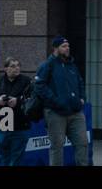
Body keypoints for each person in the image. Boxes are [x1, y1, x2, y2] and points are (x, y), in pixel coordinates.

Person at [34, 35, 90, 166]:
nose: (67, 48)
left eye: (68, 46)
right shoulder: (47, 65)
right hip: (55, 113)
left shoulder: (71, 65)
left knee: (82, 143)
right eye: (64, 46)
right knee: (57, 147)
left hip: (75, 112)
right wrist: (56, 102)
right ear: (55, 49)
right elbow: (39, 86)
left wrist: (82, 98)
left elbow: (80, 83)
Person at [0, 57, 33, 166]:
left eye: (18, 66)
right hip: (3, 126)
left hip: (20, 126)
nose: (16, 68)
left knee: (16, 158)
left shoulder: (26, 81)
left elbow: (32, 98)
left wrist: (17, 101)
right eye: (13, 66)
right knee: (4, 156)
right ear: (5, 69)